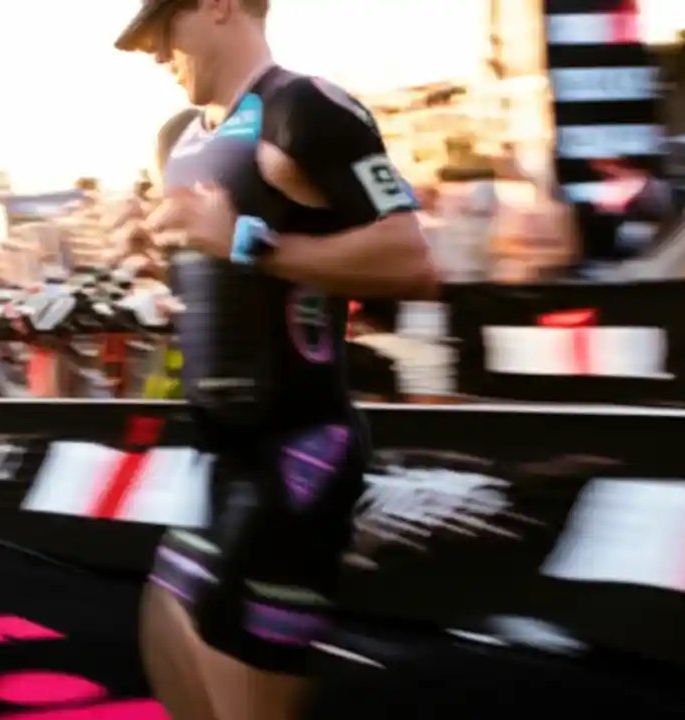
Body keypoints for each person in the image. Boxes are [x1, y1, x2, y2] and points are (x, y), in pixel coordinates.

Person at [113, 2, 437, 719]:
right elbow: (216, 270)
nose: (152, 52)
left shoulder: (310, 109)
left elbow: (413, 260)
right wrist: (151, 248)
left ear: (220, 6)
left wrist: (249, 243)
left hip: (298, 453)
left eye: (160, 30)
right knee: (169, 629)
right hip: (222, 450)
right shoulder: (176, 139)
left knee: (235, 677)